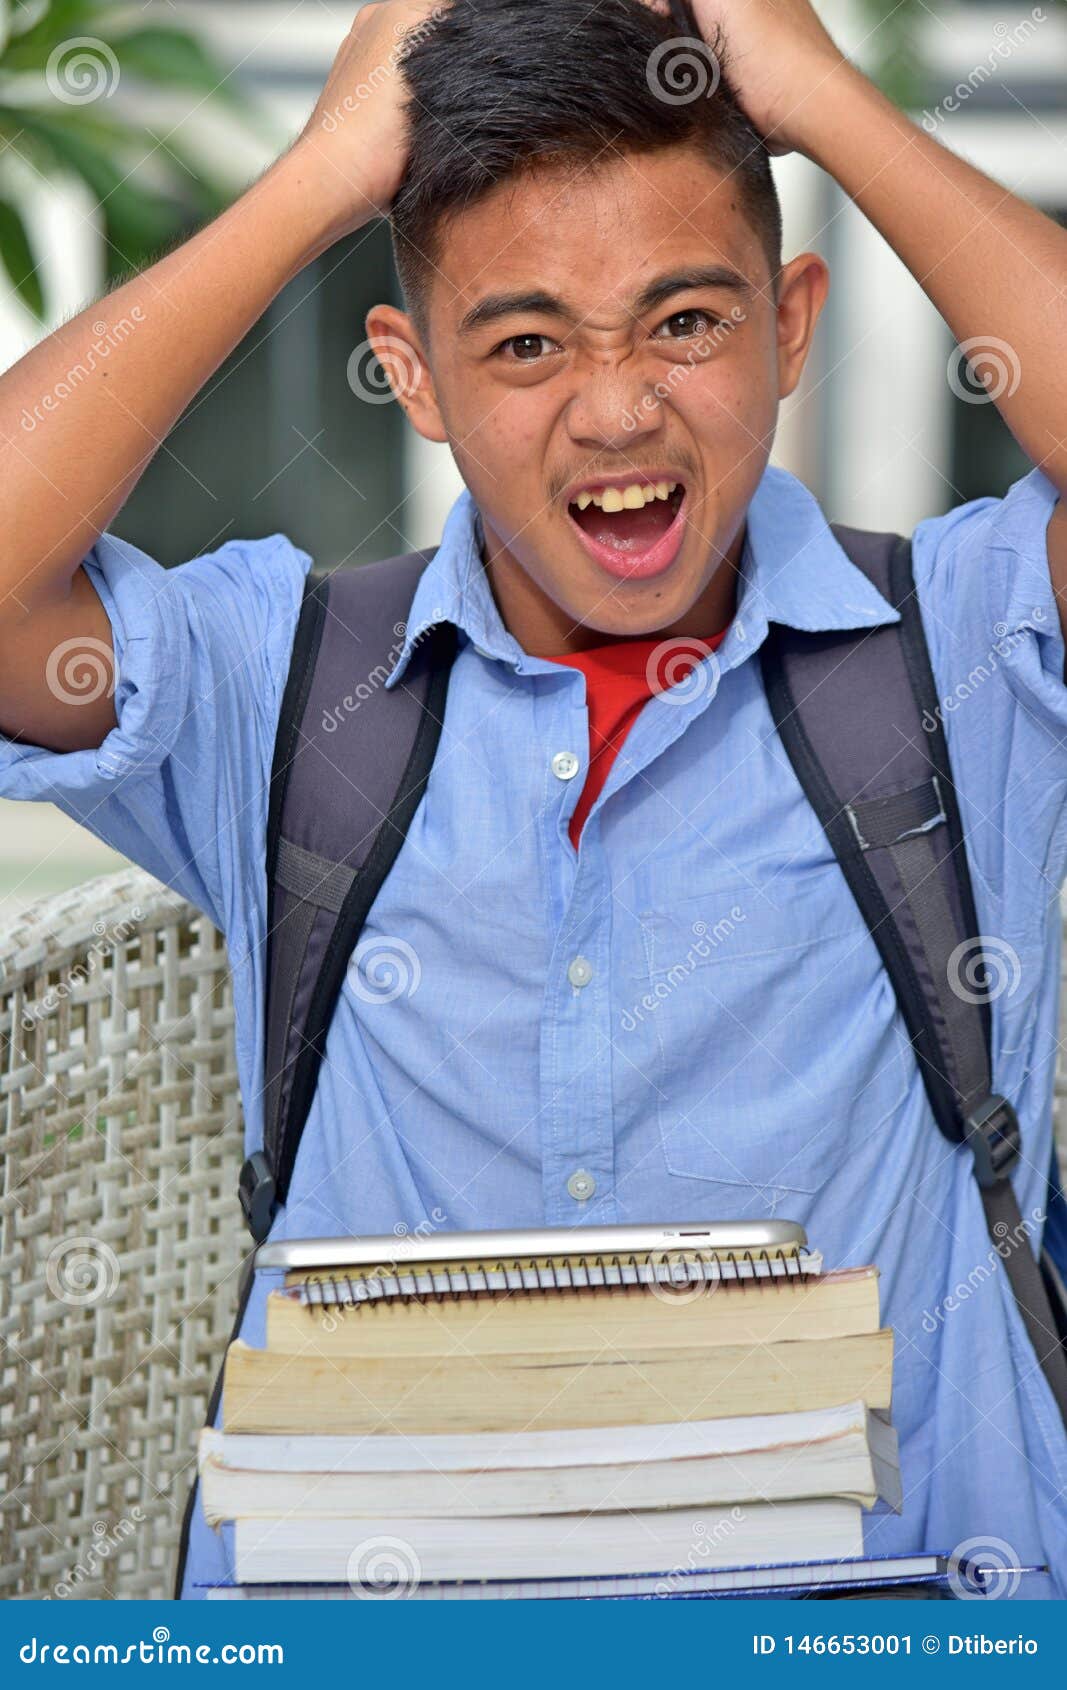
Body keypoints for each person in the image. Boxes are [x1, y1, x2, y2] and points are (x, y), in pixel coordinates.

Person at [2, 0, 1066, 1599]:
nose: (618, 408)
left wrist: (824, 99)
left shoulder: (966, 656)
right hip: (374, 1632)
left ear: (792, 323)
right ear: (409, 378)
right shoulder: (283, 685)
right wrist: (315, 179)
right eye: (521, 342)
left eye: (687, 322)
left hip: (891, 1615)